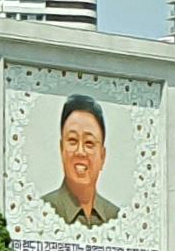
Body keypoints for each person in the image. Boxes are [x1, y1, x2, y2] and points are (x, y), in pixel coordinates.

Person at [43, 94, 119, 226]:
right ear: (62, 149)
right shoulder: (42, 211)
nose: (80, 152)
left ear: (102, 156)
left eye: (89, 143)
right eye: (72, 140)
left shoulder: (116, 218)